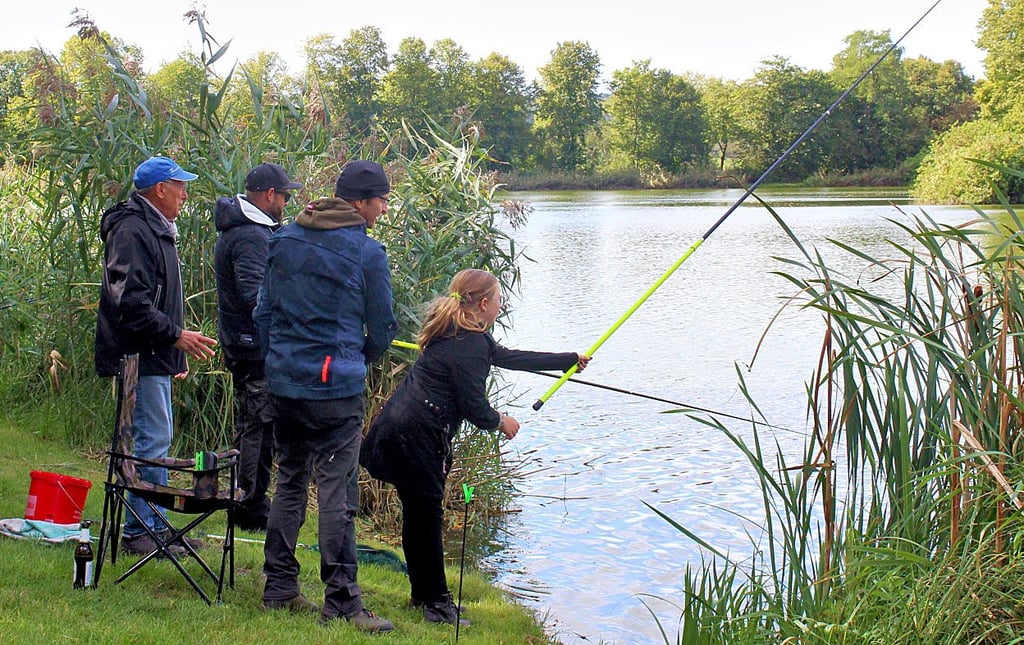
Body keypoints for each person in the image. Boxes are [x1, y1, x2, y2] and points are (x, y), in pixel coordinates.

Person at [360, 268, 591, 625]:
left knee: (418, 517)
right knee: (427, 518)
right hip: (417, 435)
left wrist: (566, 360)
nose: (501, 306)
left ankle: (425, 596)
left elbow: (509, 357)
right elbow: (474, 407)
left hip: (399, 425)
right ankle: (436, 604)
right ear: (484, 304)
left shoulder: (460, 333)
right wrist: (502, 421)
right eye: (499, 300)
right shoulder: (469, 344)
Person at [254, 160, 398, 633]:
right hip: (335, 389)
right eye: (379, 199)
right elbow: (382, 328)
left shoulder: (284, 238)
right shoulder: (366, 253)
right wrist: (359, 359)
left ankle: (278, 588)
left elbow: (263, 315)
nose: (383, 207)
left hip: (285, 383)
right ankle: (342, 602)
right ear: (358, 202)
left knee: (291, 480)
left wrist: (280, 359)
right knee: (337, 492)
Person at [95, 155, 218, 557]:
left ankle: (150, 526)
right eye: (179, 185)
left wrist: (174, 354)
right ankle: (139, 531)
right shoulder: (133, 230)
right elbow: (130, 302)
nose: (185, 193)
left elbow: (160, 300)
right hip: (138, 355)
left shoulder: (157, 227)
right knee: (149, 441)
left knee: (155, 439)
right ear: (159, 189)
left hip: (154, 352)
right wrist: (176, 337)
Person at [214, 163, 301, 532]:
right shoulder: (250, 236)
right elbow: (254, 296)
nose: (286, 203)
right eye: (285, 196)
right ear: (269, 195)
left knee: (259, 424)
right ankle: (247, 504)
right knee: (256, 425)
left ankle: (251, 499)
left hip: (247, 342)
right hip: (251, 346)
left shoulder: (252, 230)